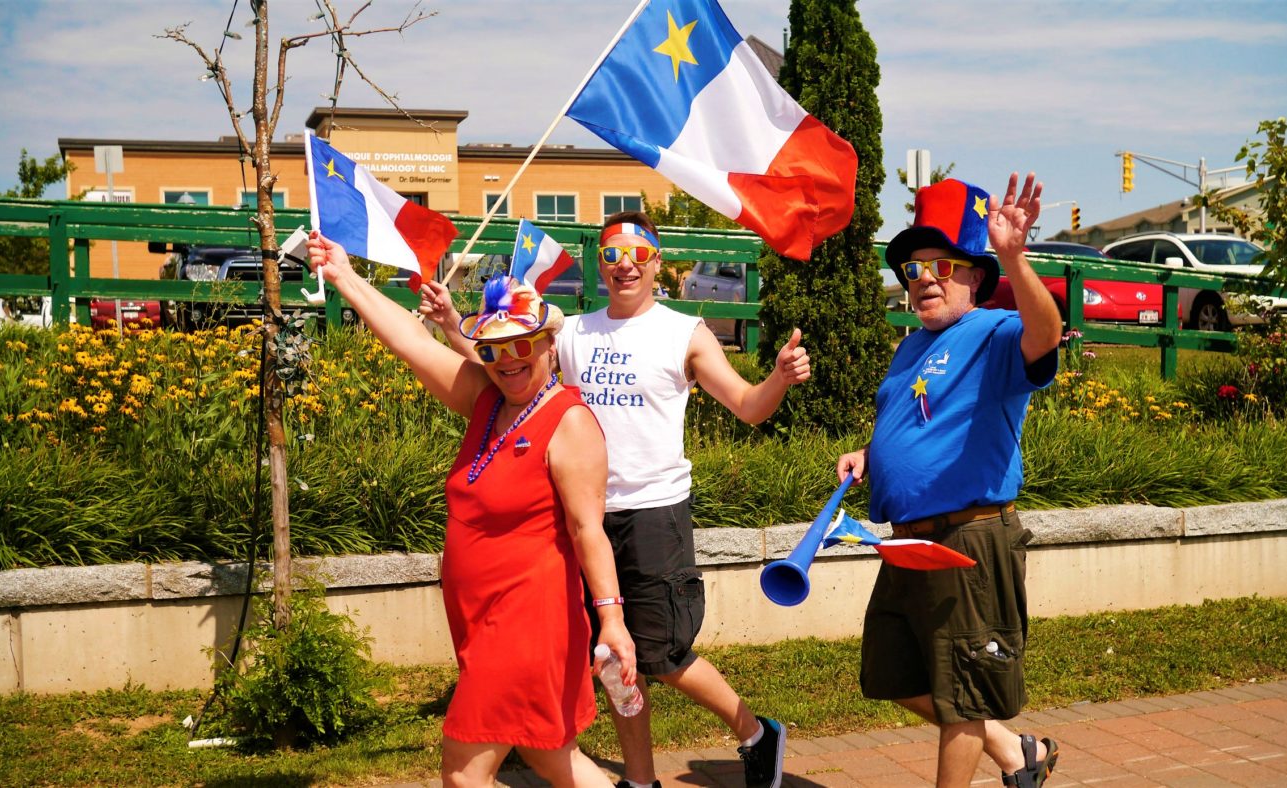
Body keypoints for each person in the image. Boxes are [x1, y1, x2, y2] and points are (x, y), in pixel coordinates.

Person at [423, 211, 810, 788]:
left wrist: (778, 376)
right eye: (611, 255)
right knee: (611, 661)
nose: (624, 264)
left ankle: (756, 732)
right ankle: (640, 780)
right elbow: (503, 359)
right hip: (579, 519)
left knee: (660, 656)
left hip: (654, 513)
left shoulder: (685, 333)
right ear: (600, 265)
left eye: (638, 254)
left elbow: (749, 406)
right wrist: (456, 322)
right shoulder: (574, 331)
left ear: (658, 262)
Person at [306, 231, 637, 788]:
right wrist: (343, 275)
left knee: (463, 771)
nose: (507, 360)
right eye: (491, 348)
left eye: (520, 345)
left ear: (549, 344)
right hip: (482, 621)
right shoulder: (487, 400)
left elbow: (588, 530)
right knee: (551, 754)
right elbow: (411, 342)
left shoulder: (569, 422)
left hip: (528, 624)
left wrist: (611, 618)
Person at [836, 174, 1063, 788]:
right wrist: (870, 455)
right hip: (908, 542)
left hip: (967, 541)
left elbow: (1045, 334)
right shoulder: (912, 346)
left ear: (974, 274)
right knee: (893, 677)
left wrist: (1016, 258)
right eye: (912, 270)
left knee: (962, 696)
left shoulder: (993, 334)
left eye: (938, 265)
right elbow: (916, 422)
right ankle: (1017, 752)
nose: (924, 279)